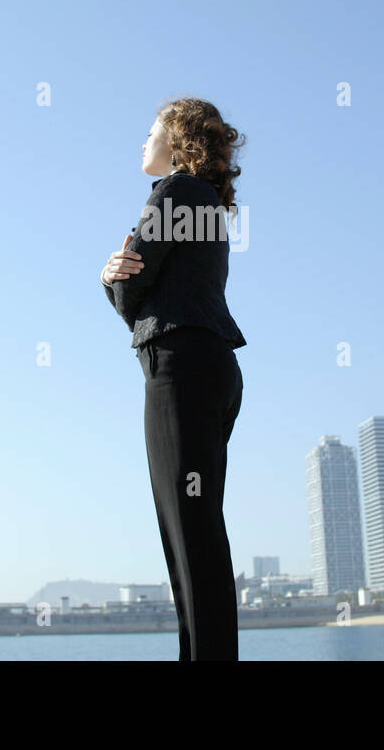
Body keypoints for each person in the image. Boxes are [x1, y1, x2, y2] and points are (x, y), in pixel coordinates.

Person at [101, 98, 247, 660]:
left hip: (180, 366)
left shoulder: (175, 192)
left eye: (151, 130)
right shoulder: (204, 201)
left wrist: (109, 275)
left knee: (188, 534)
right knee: (198, 526)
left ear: (178, 137)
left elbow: (133, 288)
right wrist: (121, 273)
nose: (142, 141)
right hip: (210, 366)